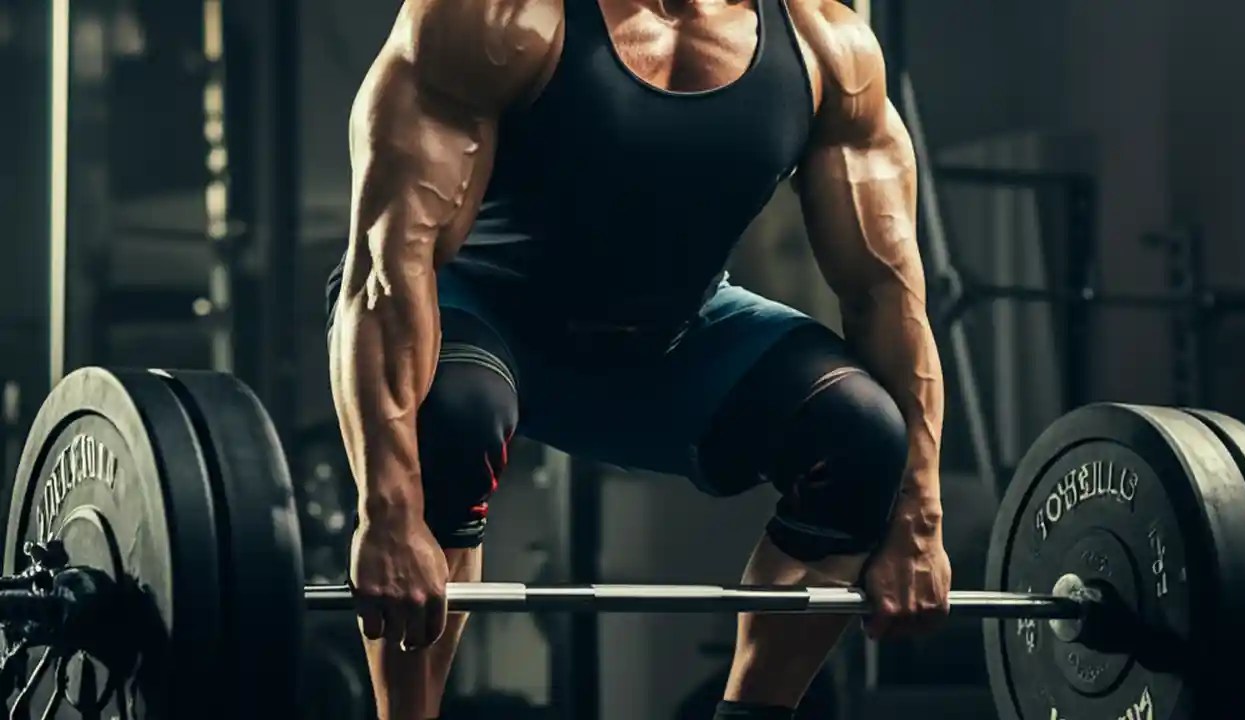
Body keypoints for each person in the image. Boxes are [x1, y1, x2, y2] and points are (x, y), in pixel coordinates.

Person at [326, 0, 950, 717]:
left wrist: (918, 520)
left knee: (862, 435)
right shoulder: (495, 19)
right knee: (458, 415)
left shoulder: (827, 48)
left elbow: (884, 294)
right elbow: (389, 261)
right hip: (471, 312)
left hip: (666, 342)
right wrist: (389, 512)